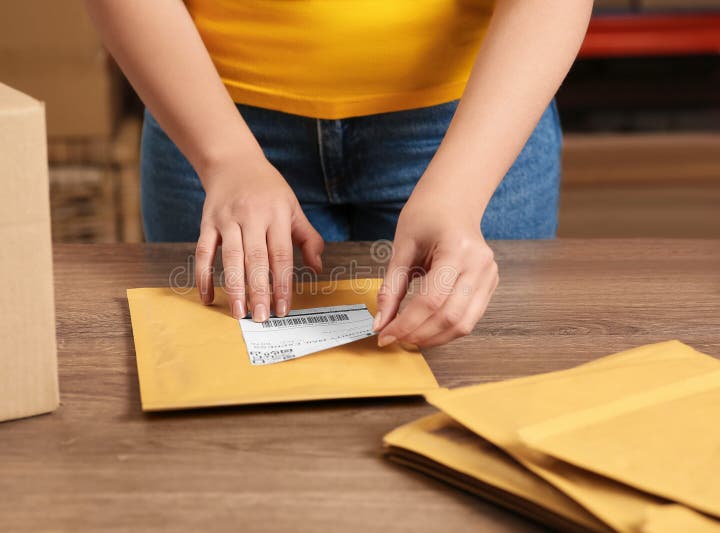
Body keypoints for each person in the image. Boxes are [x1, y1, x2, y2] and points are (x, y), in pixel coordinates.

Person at [84, 0, 593, 348]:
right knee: (219, 405)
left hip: (473, 122)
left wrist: (458, 194)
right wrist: (225, 159)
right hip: (209, 113)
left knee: (477, 398)